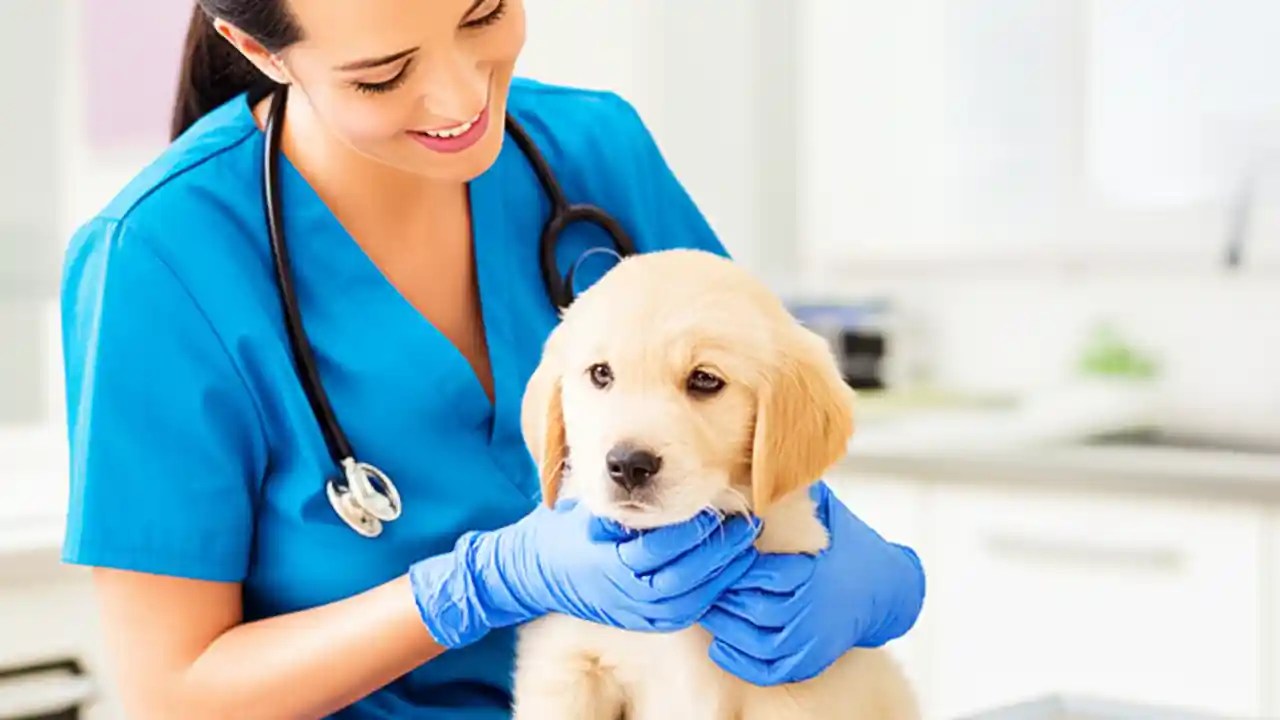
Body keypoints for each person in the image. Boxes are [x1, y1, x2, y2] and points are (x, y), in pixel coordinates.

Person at [58, 1, 927, 718]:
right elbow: (170, 695)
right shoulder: (159, 259)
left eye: (483, 15)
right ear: (259, 50)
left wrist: (872, 581)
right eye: (383, 73)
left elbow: (747, 419)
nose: (459, 97)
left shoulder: (595, 150)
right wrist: (471, 588)